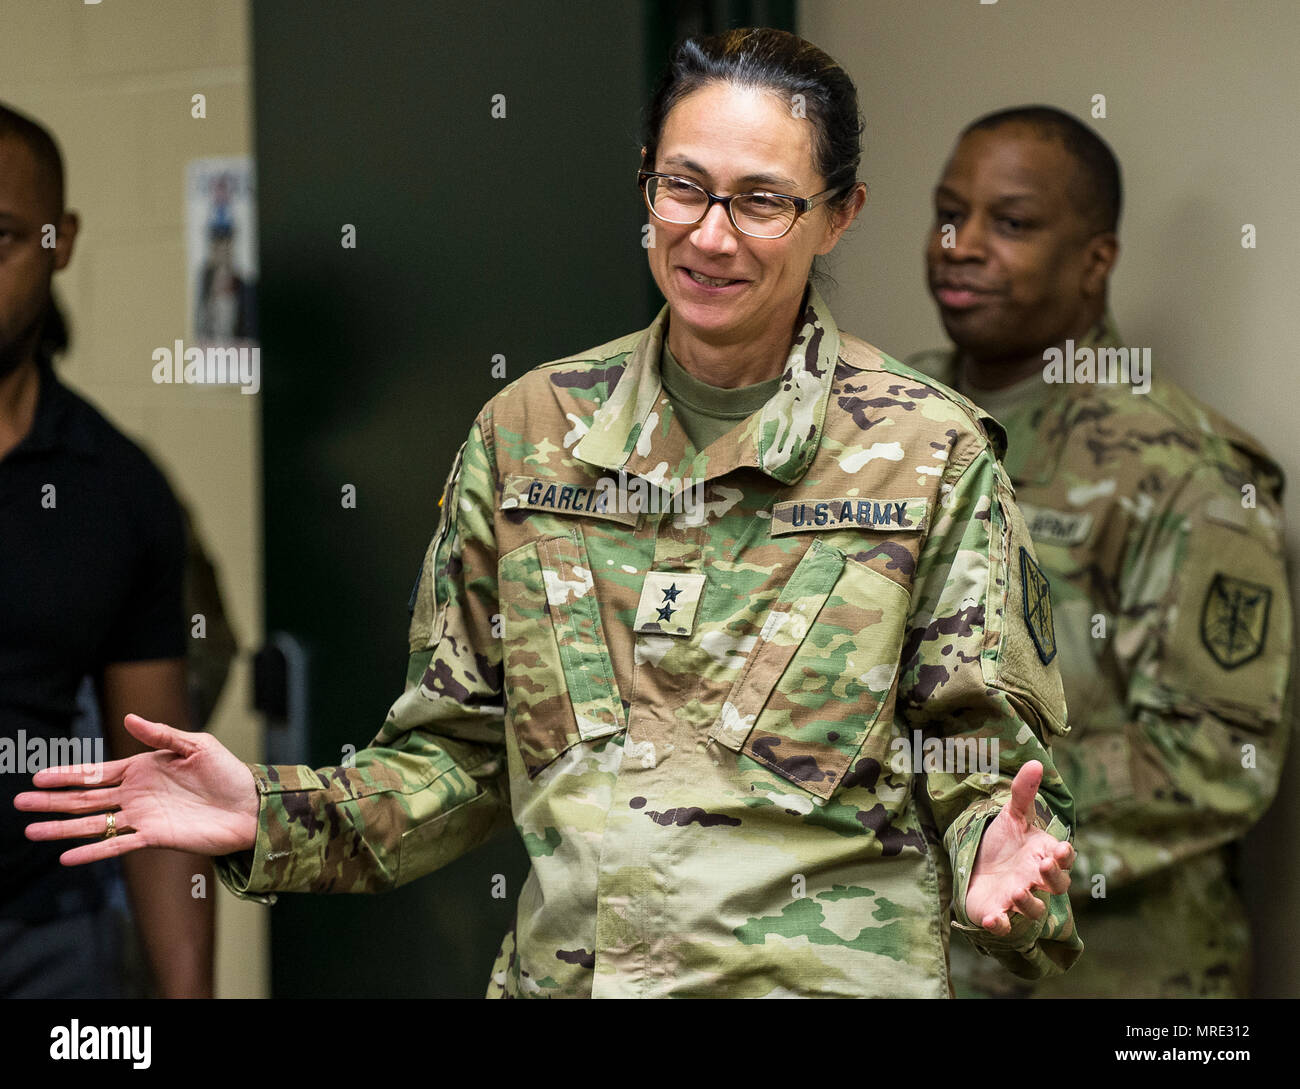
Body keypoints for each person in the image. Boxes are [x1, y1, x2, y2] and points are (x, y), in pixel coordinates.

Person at [17, 30, 1081, 999]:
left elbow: (983, 762)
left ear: (838, 214)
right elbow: (456, 760)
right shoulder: (526, 432)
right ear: (646, 188)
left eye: (761, 201)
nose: (710, 237)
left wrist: (1000, 853)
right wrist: (269, 812)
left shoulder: (925, 453)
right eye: (683, 188)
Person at [905, 106, 1292, 997]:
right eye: (948, 212)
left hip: (1113, 975)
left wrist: (965, 793)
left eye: (1012, 223)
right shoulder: (889, 420)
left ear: (1095, 259)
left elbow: (1215, 758)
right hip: (917, 961)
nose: (959, 244)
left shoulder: (1179, 468)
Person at [0, 101, 216, 998]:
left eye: (0, 236)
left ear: (61, 240)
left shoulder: (117, 490)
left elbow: (155, 782)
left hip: (52, 942)